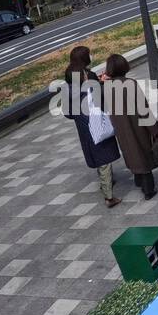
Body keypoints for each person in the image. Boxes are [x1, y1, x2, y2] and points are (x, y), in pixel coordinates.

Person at [104, 53, 158, 200]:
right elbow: (143, 108)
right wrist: (154, 130)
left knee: (130, 152)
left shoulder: (107, 87)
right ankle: (148, 189)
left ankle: (138, 179)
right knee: (142, 153)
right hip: (136, 125)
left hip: (121, 127)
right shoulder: (130, 83)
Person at [60, 45, 120, 208]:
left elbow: (67, 113)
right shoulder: (89, 76)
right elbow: (102, 100)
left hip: (82, 126)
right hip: (96, 122)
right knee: (104, 158)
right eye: (89, 54)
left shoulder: (68, 83)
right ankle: (109, 196)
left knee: (95, 154)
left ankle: (105, 181)